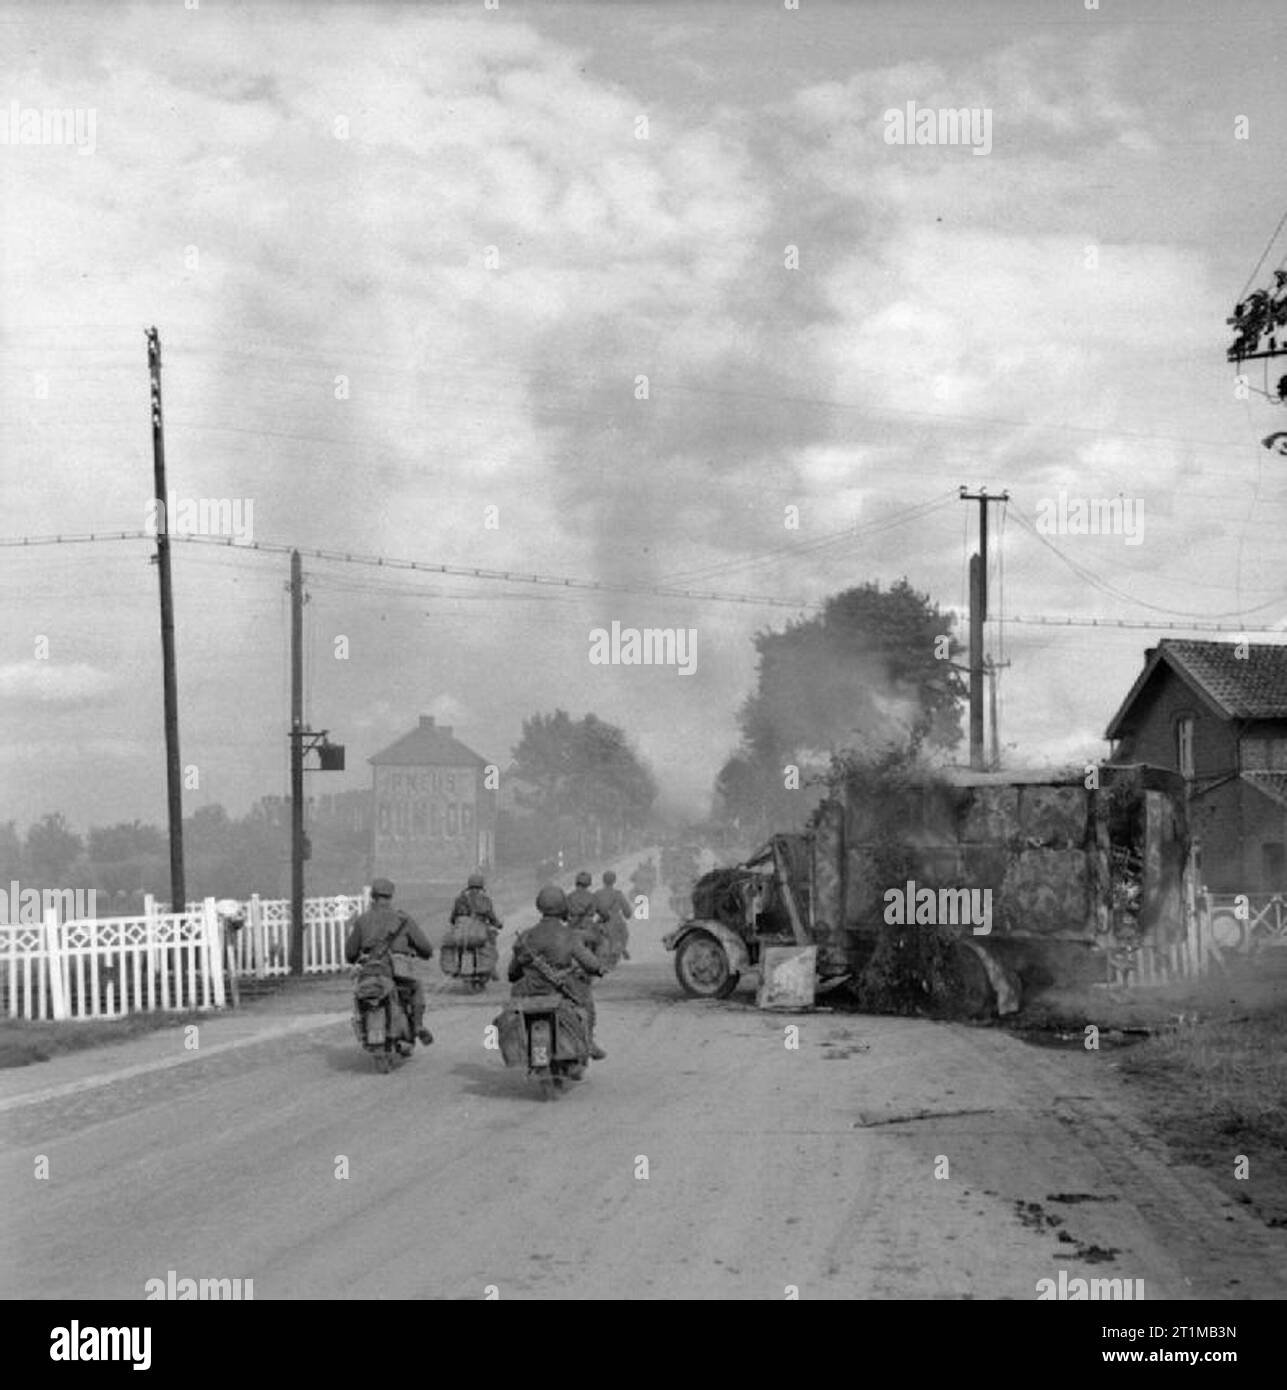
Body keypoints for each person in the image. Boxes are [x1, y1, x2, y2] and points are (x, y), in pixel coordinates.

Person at [509, 885, 606, 1060]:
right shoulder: (569, 935)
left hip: (529, 989)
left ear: (539, 906)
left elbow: (512, 972)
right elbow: (590, 963)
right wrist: (598, 968)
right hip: (562, 988)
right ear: (562, 907)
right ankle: (589, 1042)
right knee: (586, 1003)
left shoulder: (526, 935)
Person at [345, 878, 434, 1045]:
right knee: (416, 988)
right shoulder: (402, 919)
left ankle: (362, 1026)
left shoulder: (362, 920)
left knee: (360, 993)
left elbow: (350, 953)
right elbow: (425, 947)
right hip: (396, 970)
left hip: (370, 969)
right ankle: (417, 1026)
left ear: (373, 896)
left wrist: (355, 958)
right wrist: (424, 954)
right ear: (391, 896)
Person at [450, 870, 503, 980]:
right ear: (481, 885)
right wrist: (498, 924)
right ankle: (492, 968)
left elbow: (453, 917)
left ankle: (458, 967)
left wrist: (456, 922)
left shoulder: (460, 899)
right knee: (491, 943)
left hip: (463, 930)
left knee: (457, 945)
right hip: (480, 930)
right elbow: (491, 916)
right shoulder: (485, 900)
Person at [591, 870, 634, 962]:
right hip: (616, 921)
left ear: (603, 880)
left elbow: (591, 910)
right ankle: (621, 948)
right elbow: (628, 912)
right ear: (614, 881)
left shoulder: (597, 893)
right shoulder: (618, 894)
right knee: (625, 934)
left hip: (601, 920)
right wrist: (627, 914)